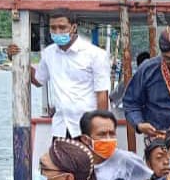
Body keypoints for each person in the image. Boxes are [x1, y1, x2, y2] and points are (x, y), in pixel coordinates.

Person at [8, 11, 110, 139]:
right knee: (56, 159)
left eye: (62, 27)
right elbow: (38, 80)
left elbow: (102, 95)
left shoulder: (95, 55)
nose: (57, 31)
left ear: (73, 27)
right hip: (60, 127)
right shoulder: (48, 54)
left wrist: (101, 130)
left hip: (87, 128)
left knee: (87, 159)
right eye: (53, 28)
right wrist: (17, 58)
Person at [79, 110, 151, 180]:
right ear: (86, 140)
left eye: (112, 133)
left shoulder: (128, 161)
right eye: (102, 134)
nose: (108, 139)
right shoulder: (76, 166)